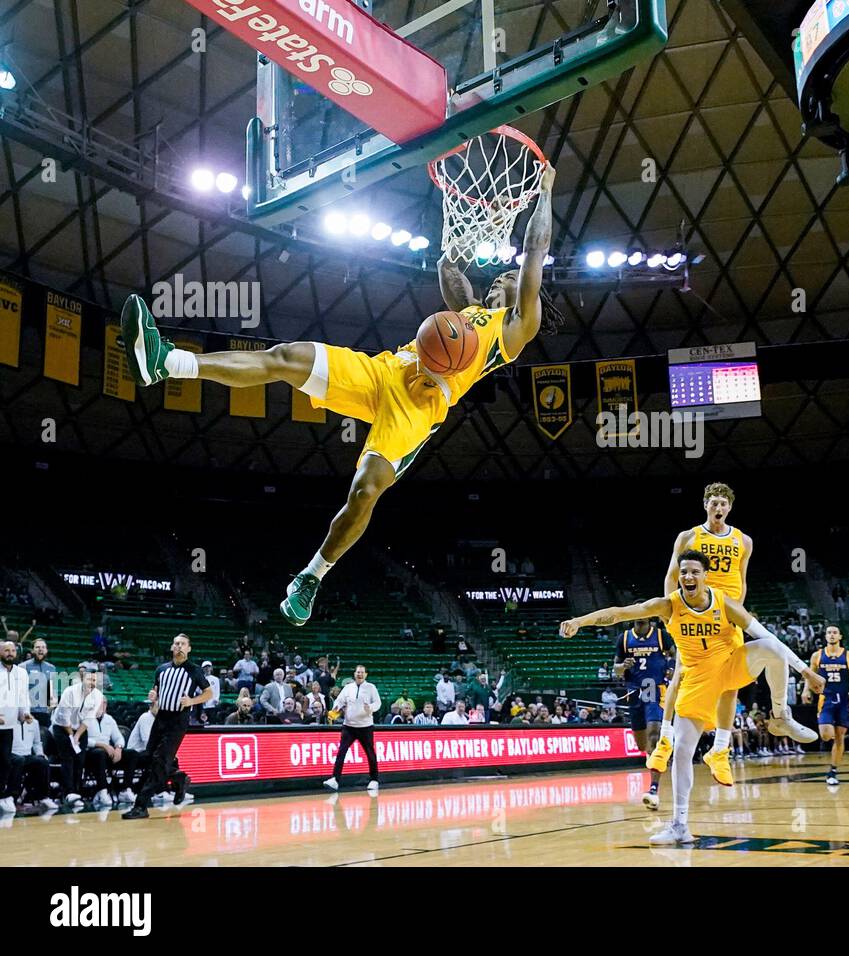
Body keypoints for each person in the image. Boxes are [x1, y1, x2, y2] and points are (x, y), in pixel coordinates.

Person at [118, 163, 560, 627]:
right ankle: (165, 362)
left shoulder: (514, 331)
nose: (505, 277)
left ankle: (311, 576)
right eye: (503, 275)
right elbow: (450, 270)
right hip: (385, 371)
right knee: (286, 358)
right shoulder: (469, 312)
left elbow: (534, 249)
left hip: (417, 408)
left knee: (365, 489)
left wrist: (543, 192)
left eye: (510, 277)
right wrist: (455, 243)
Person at [560, 549, 825, 846]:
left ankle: (781, 716)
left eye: (694, 572)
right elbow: (619, 613)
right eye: (683, 572)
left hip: (731, 663)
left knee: (771, 649)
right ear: (678, 577)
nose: (688, 576)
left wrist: (806, 672)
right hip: (699, 678)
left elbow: (766, 635)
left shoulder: (723, 602)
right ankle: (679, 826)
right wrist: (580, 621)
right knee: (683, 751)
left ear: (705, 576)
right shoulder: (668, 606)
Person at [648, 482, 755, 785]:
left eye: (723, 503)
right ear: (705, 505)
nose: (718, 508)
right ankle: (665, 741)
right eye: (713, 503)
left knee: (732, 682)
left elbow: (741, 580)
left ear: (730, 507)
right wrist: (673, 615)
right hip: (693, 613)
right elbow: (672, 575)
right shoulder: (689, 536)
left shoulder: (743, 540)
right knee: (681, 673)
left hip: (726, 617)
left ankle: (720, 750)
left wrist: (738, 613)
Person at [123, 634, 213, 819]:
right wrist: (153, 696)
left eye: (183, 644)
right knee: (149, 757)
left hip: (178, 720)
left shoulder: (195, 671)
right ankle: (178, 778)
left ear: (189, 649)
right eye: (176, 643)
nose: (179, 646)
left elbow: (209, 693)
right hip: (161, 717)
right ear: (172, 647)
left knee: (160, 760)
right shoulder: (161, 669)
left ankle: (141, 804)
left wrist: (191, 701)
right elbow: (156, 691)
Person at [614, 617, 674, 808]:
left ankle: (653, 789)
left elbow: (676, 655)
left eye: (643, 618)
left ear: (649, 618)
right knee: (642, 744)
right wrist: (623, 666)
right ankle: (653, 759)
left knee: (654, 735)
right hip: (634, 691)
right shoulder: (623, 639)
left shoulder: (660, 635)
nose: (640, 621)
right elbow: (616, 669)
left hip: (654, 689)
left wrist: (671, 668)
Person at [800, 625, 849, 786]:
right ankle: (833, 732)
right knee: (826, 735)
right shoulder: (817, 656)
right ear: (826, 636)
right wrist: (806, 691)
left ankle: (833, 771)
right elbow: (809, 675)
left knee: (839, 737)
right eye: (829, 633)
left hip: (844, 699)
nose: (832, 635)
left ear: (840, 636)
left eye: (835, 632)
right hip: (825, 699)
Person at [323, 664, 382, 794]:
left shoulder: (371, 688)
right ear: (354, 674)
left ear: (366, 674)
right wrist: (336, 708)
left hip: (365, 726)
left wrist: (370, 708)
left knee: (370, 753)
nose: (359, 674)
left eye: (362, 672)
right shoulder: (348, 688)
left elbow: (378, 703)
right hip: (348, 726)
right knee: (341, 752)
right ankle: (335, 779)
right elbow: (339, 701)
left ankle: (374, 780)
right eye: (357, 672)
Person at [51, 667, 104, 810]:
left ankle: (77, 792)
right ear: (82, 678)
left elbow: (88, 719)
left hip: (80, 728)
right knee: (68, 758)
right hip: (62, 727)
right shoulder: (70, 692)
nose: (92, 683)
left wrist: (77, 736)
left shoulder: (98, 695)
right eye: (89, 679)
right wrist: (71, 736)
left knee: (80, 759)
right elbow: (63, 718)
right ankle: (67, 793)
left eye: (95, 680)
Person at [0, 640, 33, 814]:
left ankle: (5, 796)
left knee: (5, 763)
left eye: (13, 650)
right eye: (6, 650)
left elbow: (23, 697)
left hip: (9, 726)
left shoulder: (22, 673)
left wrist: (25, 713)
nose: (10, 653)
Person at [8, 714, 57, 811]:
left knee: (42, 762)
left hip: (27, 755)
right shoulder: (9, 722)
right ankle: (12, 798)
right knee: (19, 761)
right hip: (11, 754)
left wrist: (40, 754)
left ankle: (43, 797)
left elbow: (37, 743)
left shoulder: (34, 723)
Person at [20, 638, 56, 727]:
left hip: (45, 713)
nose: (41, 649)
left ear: (46, 650)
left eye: (43, 647)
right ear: (32, 650)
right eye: (38, 647)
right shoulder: (22, 667)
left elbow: (52, 690)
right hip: (28, 712)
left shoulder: (51, 668)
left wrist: (50, 707)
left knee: (44, 739)